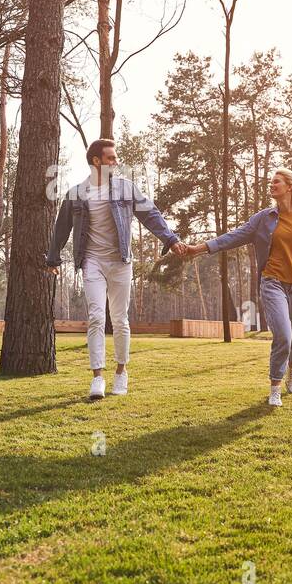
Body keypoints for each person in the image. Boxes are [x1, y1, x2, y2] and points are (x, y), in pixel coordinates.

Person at [47, 138, 187, 401]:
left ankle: (121, 372)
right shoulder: (77, 193)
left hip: (121, 262)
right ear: (97, 161)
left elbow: (151, 215)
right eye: (111, 158)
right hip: (92, 261)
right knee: (97, 317)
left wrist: (171, 239)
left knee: (120, 319)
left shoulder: (126, 188)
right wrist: (53, 259)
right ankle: (97, 378)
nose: (116, 162)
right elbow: (61, 228)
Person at [185, 167, 292, 408]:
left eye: (277, 182)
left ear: (290, 186)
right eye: (271, 182)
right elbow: (232, 237)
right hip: (273, 282)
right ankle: (275, 387)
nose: (272, 185)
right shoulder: (264, 218)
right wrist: (198, 248)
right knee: (283, 335)